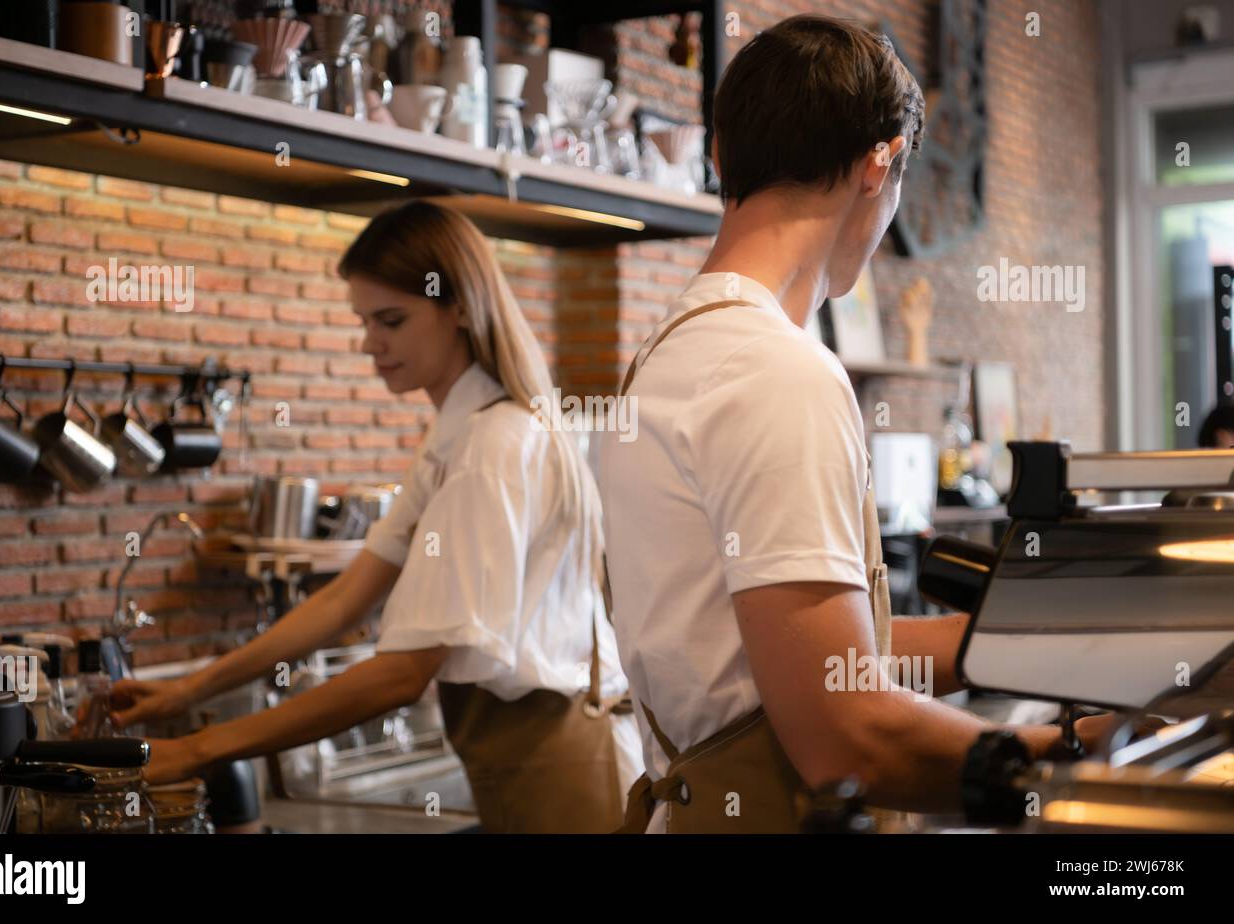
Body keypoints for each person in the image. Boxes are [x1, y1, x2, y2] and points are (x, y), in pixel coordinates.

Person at [599, 14, 1112, 834]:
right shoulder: (777, 372)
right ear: (880, 166)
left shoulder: (667, 356)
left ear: (723, 157)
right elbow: (846, 733)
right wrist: (1083, 749)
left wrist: (1022, 637)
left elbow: (794, 659)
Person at [110, 201, 642, 833]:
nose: (370, 344)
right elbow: (346, 598)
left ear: (463, 308)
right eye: (364, 321)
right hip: (541, 759)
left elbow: (402, 673)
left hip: (566, 768)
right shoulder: (459, 436)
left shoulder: (490, 448)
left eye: (391, 319)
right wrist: (187, 690)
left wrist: (198, 748)